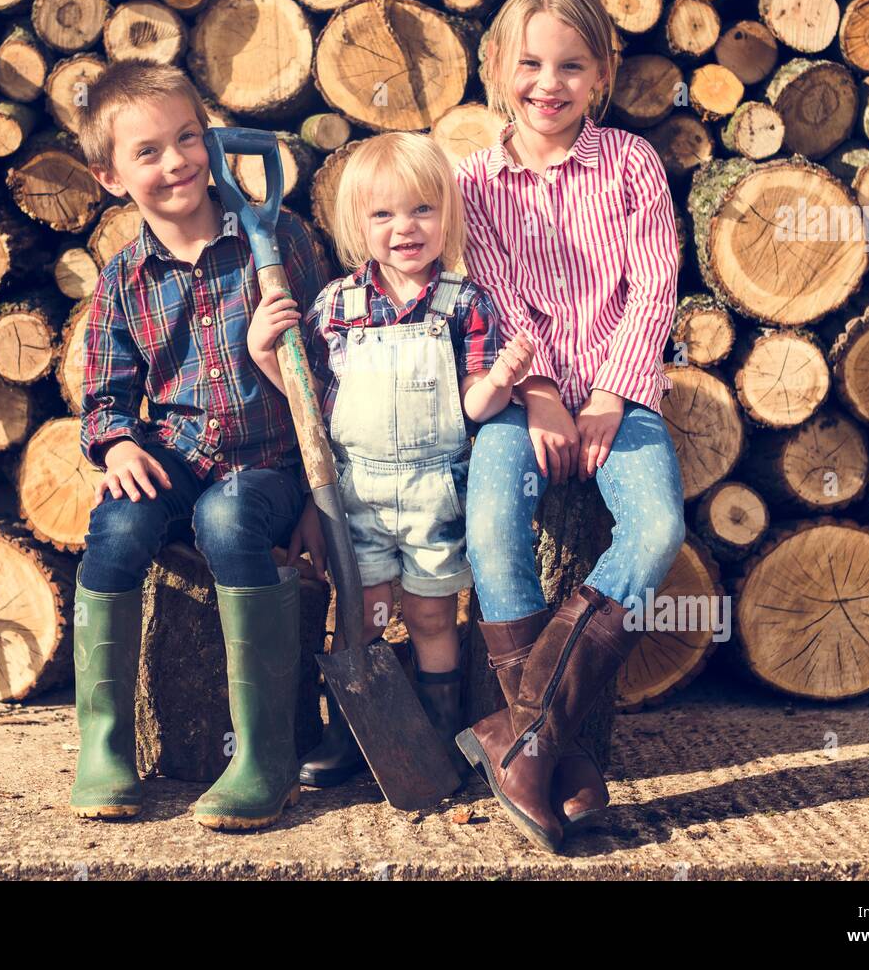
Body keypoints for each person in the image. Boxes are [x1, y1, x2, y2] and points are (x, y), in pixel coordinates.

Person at [452, 0, 687, 853]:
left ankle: (523, 735)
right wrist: (545, 393)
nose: (548, 84)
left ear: (602, 73)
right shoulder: (474, 180)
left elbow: (652, 286)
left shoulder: (632, 164)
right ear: (495, 70)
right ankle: (559, 755)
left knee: (657, 525)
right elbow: (496, 292)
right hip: (521, 395)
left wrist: (608, 396)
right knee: (492, 525)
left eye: (571, 66)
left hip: (619, 397)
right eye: (530, 64)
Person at [73, 59, 333, 829]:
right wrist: (118, 445)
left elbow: (329, 374)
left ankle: (264, 753)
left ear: (214, 141)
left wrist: (324, 499)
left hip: (272, 464)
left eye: (188, 137)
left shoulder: (277, 239)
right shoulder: (123, 277)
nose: (176, 160)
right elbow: (104, 397)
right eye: (146, 151)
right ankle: (104, 744)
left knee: (227, 520)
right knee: (117, 527)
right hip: (178, 453)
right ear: (111, 176)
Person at [247, 132, 534, 787]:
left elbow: (476, 406)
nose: (404, 228)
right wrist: (267, 354)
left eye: (421, 211)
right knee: (363, 610)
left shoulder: (465, 303)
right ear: (359, 224)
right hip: (361, 492)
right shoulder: (337, 305)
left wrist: (502, 379)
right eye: (383, 215)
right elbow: (309, 403)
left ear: (447, 216)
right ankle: (358, 729)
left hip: (435, 489)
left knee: (433, 614)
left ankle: (434, 732)